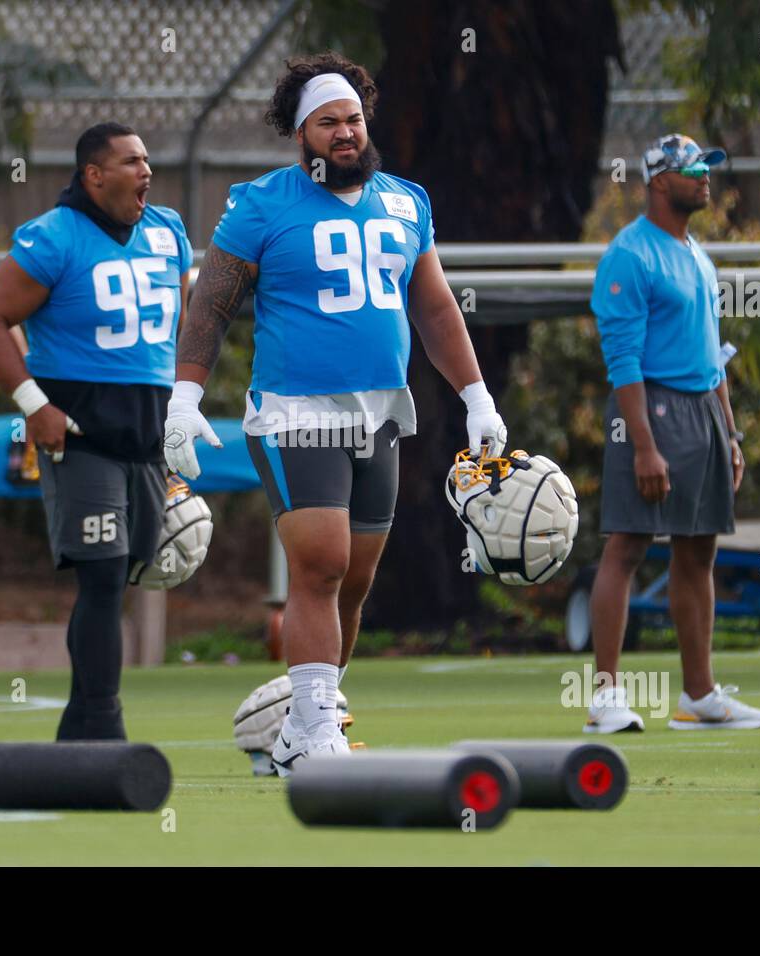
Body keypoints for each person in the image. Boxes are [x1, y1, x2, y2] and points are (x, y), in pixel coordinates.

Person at [162, 53, 507, 773]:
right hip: (295, 409)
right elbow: (213, 301)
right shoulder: (262, 203)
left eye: (353, 118)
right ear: (300, 134)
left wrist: (476, 395)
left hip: (378, 411)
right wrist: (186, 394)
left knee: (354, 582)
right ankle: (317, 734)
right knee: (321, 564)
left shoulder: (407, 200)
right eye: (329, 122)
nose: (346, 133)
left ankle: (302, 726)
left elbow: (435, 305)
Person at [0, 122, 191, 741]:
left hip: (145, 436)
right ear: (94, 175)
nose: (146, 171)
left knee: (122, 575)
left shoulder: (167, 231)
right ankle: (102, 723)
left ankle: (76, 728)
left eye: (148, 159)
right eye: (130, 161)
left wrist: (181, 408)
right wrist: (33, 403)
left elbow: (179, 321)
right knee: (101, 570)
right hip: (80, 432)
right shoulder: (51, 238)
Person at [586, 133, 760, 732]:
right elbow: (622, 359)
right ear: (660, 180)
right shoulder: (629, 255)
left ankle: (699, 696)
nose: (706, 178)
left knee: (699, 553)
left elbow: (712, 356)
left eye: (707, 168)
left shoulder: (697, 253)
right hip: (651, 412)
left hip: (702, 413)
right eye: (694, 169)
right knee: (627, 548)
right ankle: (605, 699)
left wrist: (731, 431)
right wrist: (643, 444)